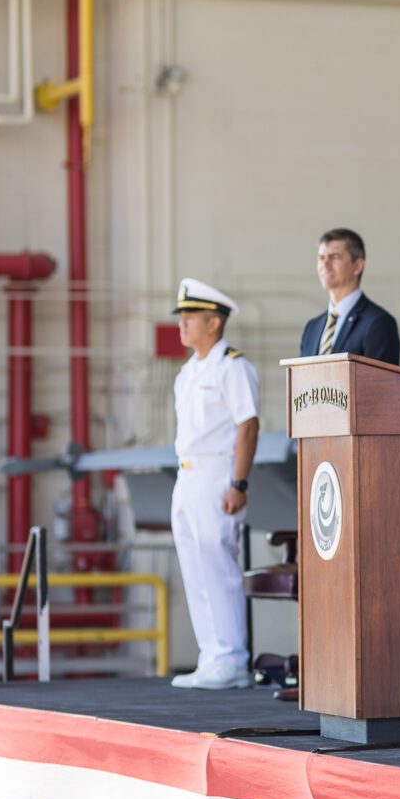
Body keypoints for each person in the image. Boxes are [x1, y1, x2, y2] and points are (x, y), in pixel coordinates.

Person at [170, 278, 261, 690]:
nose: (182, 325)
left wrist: (238, 482)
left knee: (218, 566)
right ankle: (212, 656)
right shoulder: (188, 373)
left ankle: (231, 658)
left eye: (190, 318)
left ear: (214, 322)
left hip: (217, 473)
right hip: (187, 473)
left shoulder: (233, 366)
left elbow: (248, 426)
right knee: (194, 566)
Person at [300, 228, 400, 364]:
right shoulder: (312, 327)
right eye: (321, 258)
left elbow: (380, 384)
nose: (325, 264)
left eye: (335, 257)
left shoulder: (379, 323)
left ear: (358, 266)